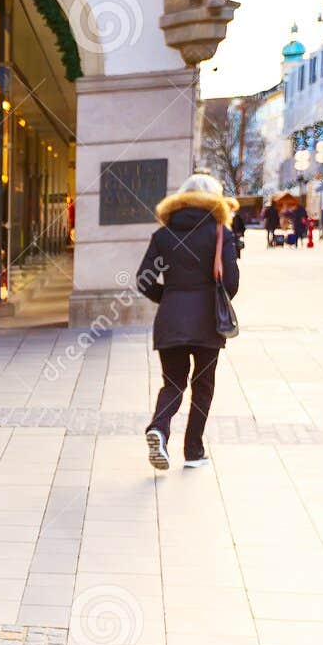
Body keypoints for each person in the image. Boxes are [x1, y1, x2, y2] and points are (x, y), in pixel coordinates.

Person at [135, 173, 240, 470]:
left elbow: (143, 279)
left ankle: (159, 429)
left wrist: (168, 297)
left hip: (170, 319)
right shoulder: (220, 232)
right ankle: (194, 451)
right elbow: (231, 282)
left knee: (172, 383)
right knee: (203, 386)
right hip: (207, 321)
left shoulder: (163, 235)